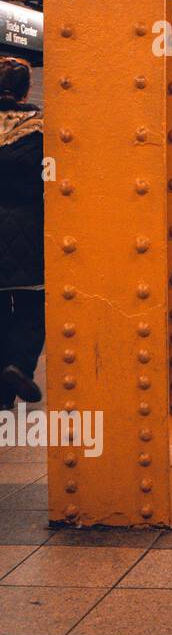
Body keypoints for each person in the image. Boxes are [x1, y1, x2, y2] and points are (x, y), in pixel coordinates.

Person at [0, 57, 44, 409]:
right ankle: (20, 364)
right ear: (26, 88)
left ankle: (1, 396)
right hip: (30, 229)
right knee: (31, 307)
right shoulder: (43, 128)